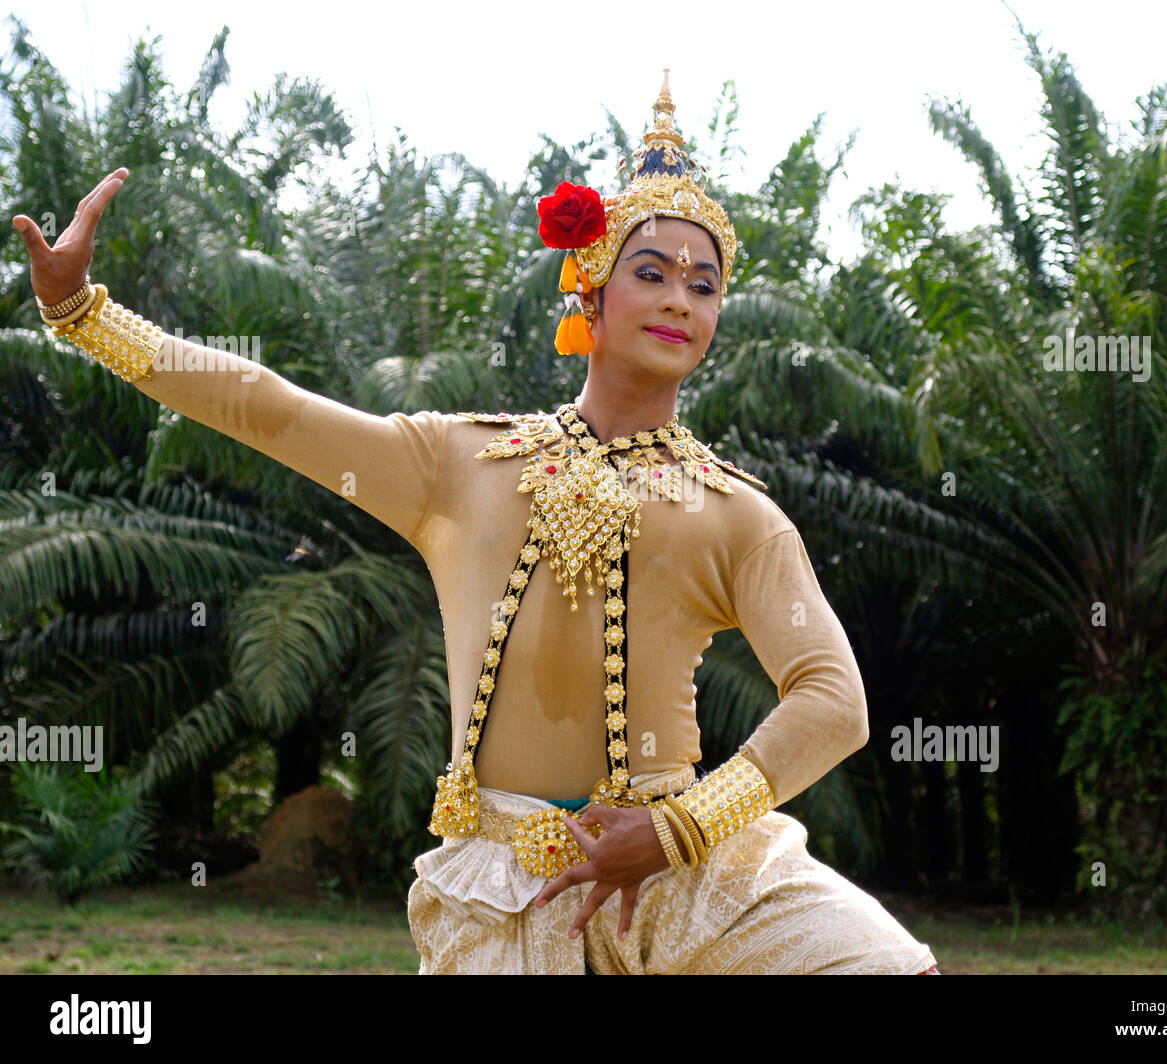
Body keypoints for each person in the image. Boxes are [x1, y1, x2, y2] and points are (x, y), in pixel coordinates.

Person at [12, 70, 940, 975]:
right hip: (504, 890)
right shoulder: (459, 465)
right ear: (590, 287)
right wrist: (84, 314)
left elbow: (833, 699)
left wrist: (674, 829)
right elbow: (272, 407)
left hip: (693, 872)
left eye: (704, 286)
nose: (677, 300)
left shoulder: (739, 512)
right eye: (651, 272)